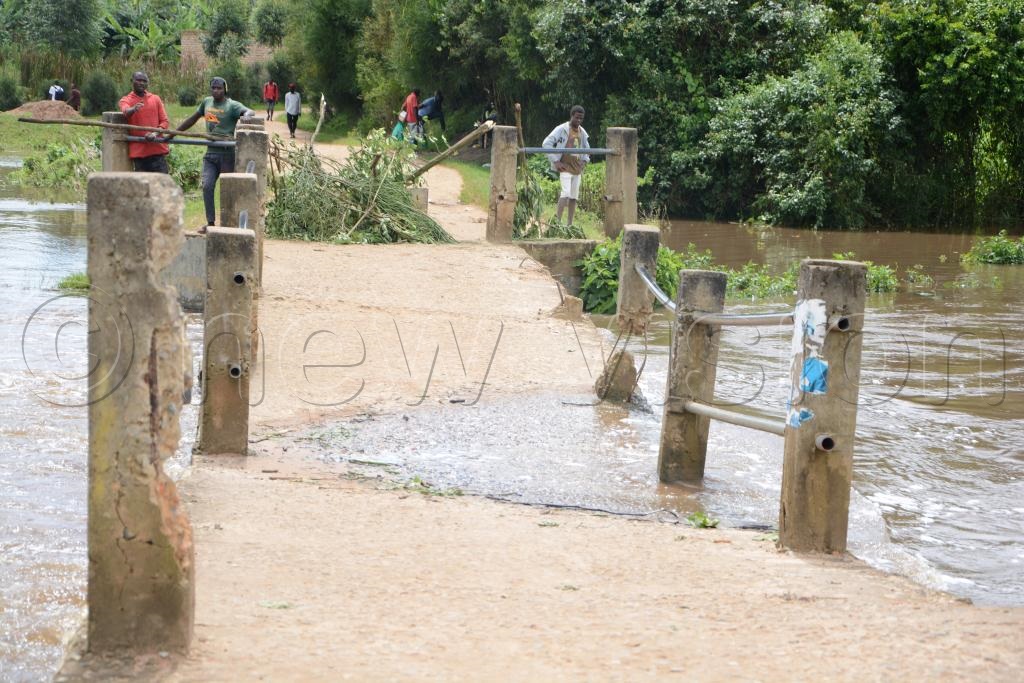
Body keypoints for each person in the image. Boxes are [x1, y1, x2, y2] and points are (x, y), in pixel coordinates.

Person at [176, 77, 253, 230]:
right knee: (207, 185)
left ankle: (229, 224)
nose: (216, 91)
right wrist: (172, 133)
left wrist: (247, 115)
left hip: (227, 155)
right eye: (213, 88)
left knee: (227, 190)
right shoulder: (206, 102)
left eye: (219, 88)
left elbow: (249, 111)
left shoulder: (231, 106)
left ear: (225, 89)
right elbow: (192, 119)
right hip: (210, 154)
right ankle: (210, 223)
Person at [542, 105, 590, 227]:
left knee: (574, 196)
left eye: (581, 119)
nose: (579, 121)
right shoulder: (562, 129)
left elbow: (587, 149)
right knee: (566, 193)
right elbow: (546, 144)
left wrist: (584, 161)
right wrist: (555, 161)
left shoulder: (582, 132)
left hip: (577, 169)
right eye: (577, 118)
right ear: (572, 116)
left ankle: (569, 225)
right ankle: (557, 223)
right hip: (565, 167)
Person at [118, 71, 171, 174]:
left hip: (157, 151)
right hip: (139, 154)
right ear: (132, 81)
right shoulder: (126, 100)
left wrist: (154, 134)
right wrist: (133, 109)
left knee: (162, 186)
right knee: (142, 187)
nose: (141, 83)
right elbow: (125, 111)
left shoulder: (155, 99)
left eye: (144, 81)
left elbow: (164, 121)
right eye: (138, 80)